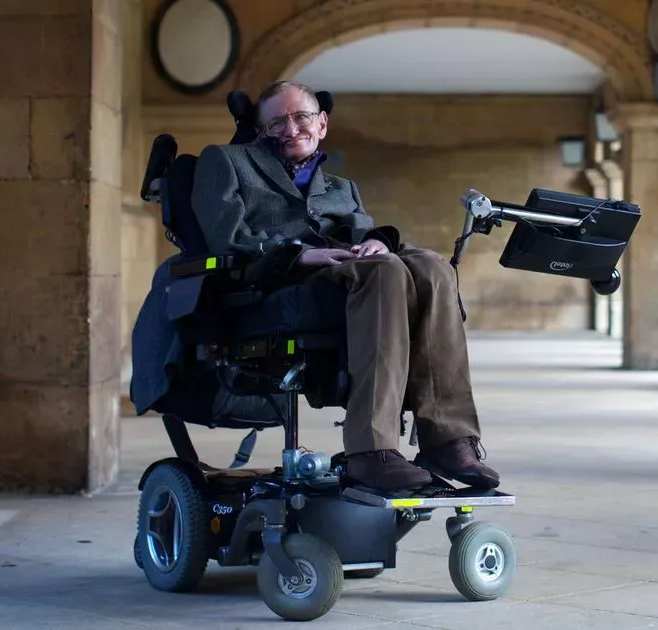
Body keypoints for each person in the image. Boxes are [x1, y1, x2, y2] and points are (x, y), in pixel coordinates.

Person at [189, 80, 499, 493]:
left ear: (321, 125)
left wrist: (375, 242)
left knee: (433, 266)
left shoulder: (340, 187)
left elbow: (362, 231)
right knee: (385, 273)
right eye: (277, 122)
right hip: (271, 290)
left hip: (348, 275)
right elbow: (227, 240)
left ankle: (446, 439)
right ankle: (371, 452)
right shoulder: (227, 162)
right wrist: (297, 255)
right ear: (260, 130)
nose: (291, 128)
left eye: (301, 117)